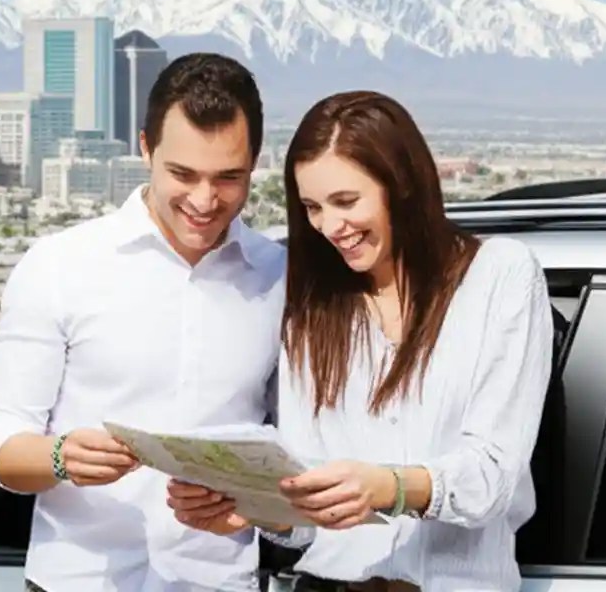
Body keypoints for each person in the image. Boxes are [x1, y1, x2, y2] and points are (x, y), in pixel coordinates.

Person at [167, 90, 554, 591]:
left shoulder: (500, 276)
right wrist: (258, 511)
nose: (330, 226)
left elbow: (492, 477)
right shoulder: (314, 310)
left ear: (402, 185)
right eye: (312, 207)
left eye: (346, 202)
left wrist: (387, 487)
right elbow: (307, 512)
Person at [0, 52, 288, 592]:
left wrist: (258, 503)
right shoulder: (60, 264)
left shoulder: (279, 277)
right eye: (182, 174)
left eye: (229, 178)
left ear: (255, 162)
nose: (205, 201)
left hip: (218, 582)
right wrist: (59, 458)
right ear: (145, 148)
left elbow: (304, 450)